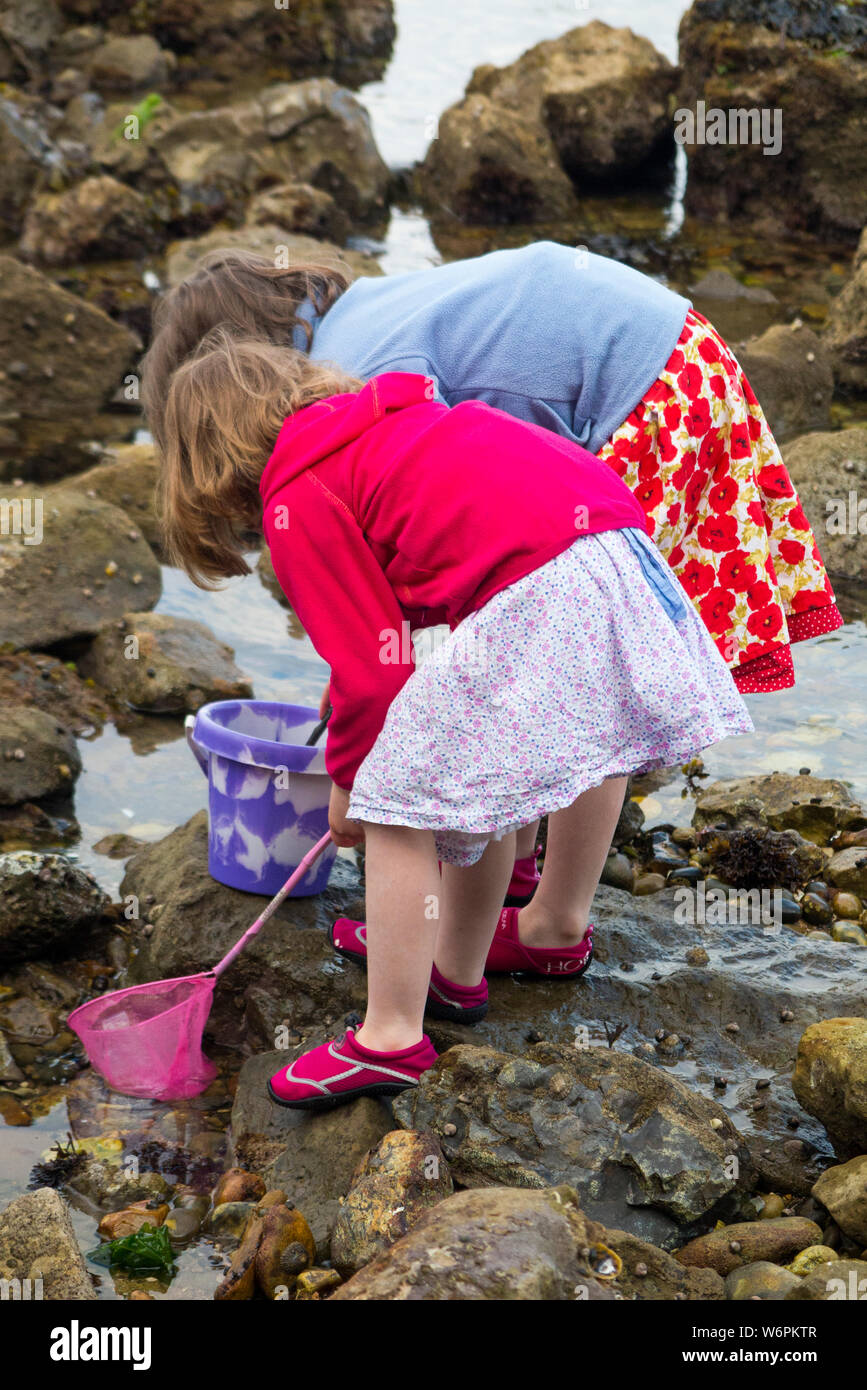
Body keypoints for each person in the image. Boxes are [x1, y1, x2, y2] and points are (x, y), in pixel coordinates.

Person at [141, 243, 841, 943]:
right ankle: (512, 870)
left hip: (642, 387)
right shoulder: (351, 329)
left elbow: (441, 524)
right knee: (542, 669)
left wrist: (363, 760)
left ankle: (549, 922)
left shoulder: (350, 375)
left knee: (583, 674)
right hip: (671, 351)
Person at [154, 331, 753, 1108]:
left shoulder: (297, 492)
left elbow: (372, 676)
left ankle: (390, 1037)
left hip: (544, 583)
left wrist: (348, 788)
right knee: (483, 776)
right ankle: (455, 971)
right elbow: (390, 634)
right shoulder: (387, 428)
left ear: (203, 459)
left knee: (399, 808)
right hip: (611, 551)